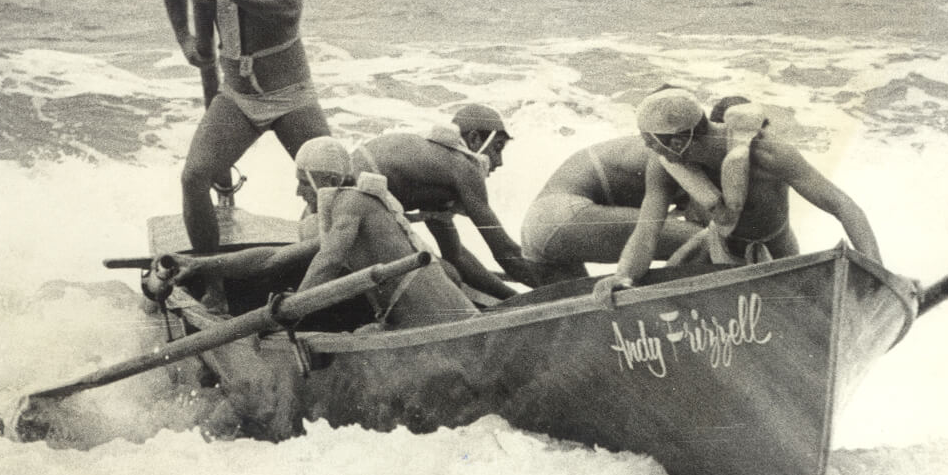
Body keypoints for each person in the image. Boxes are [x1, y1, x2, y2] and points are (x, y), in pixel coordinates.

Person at [162, 0, 331, 257]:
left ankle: (325, 261)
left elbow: (289, 8)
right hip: (238, 97)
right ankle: (210, 276)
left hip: (289, 95)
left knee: (332, 186)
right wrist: (185, 39)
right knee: (193, 178)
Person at [594, 87, 881, 306]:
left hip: (777, 248)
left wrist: (875, 270)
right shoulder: (663, 165)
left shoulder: (767, 153)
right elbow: (646, 232)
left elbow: (843, 206)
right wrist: (623, 275)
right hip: (719, 246)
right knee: (667, 287)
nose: (649, 149)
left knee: (789, 307)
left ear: (678, 142)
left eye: (650, 141)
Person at [169, 137, 478, 329]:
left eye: (304, 182)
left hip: (439, 320)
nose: (298, 192)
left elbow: (328, 262)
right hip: (419, 319)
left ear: (328, 181)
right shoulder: (347, 215)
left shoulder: (351, 202)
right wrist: (200, 264)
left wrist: (292, 311)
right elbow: (272, 259)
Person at [518, 95, 760, 282]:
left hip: (541, 225)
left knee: (591, 318)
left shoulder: (667, 141)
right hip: (566, 214)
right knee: (713, 244)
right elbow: (716, 227)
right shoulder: (672, 156)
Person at [349, 104, 542, 298]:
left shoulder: (434, 167)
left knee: (450, 272)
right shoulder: (464, 167)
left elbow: (456, 256)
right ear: (474, 139)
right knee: (449, 275)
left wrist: (513, 298)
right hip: (355, 207)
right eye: (497, 148)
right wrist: (552, 288)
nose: (500, 162)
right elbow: (507, 254)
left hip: (347, 206)